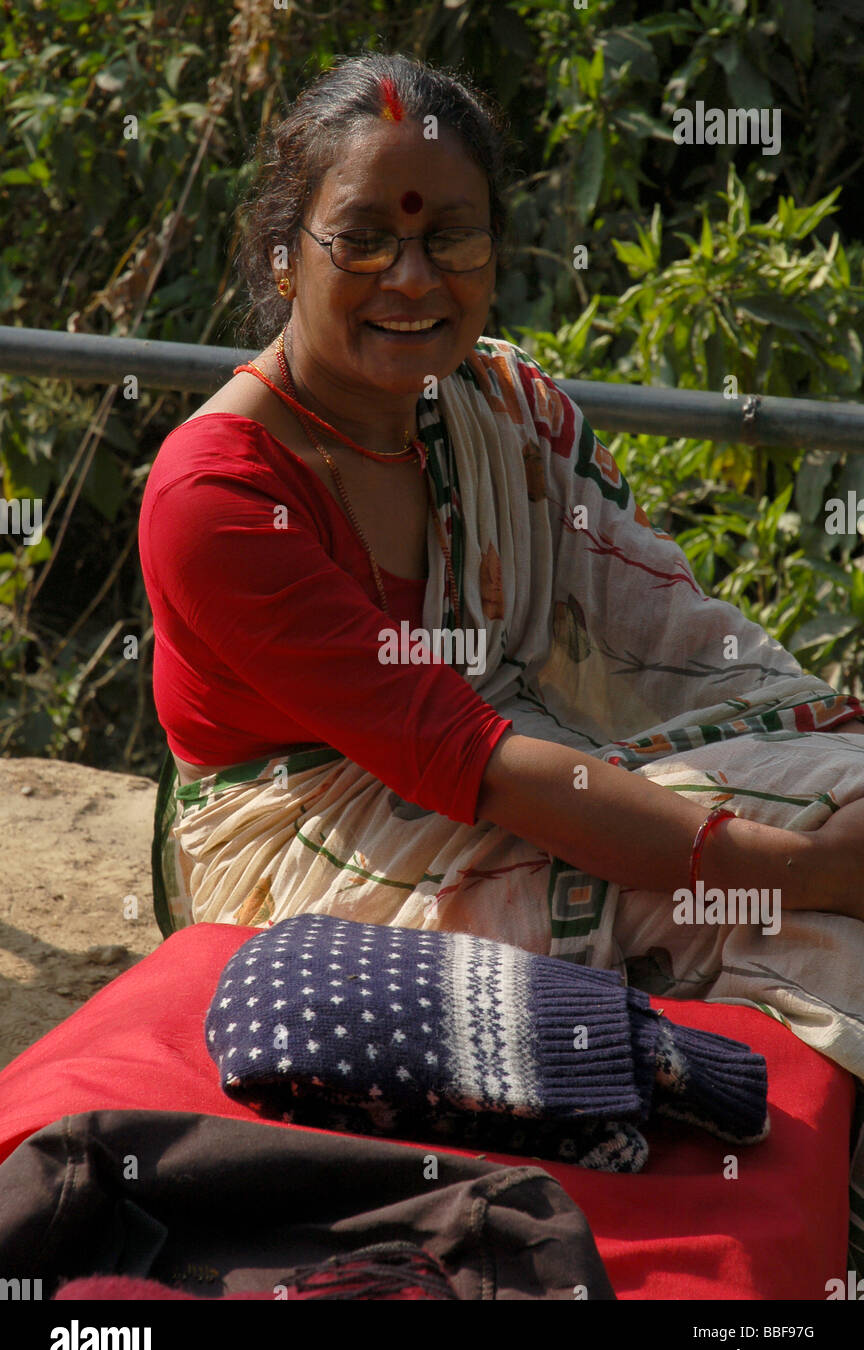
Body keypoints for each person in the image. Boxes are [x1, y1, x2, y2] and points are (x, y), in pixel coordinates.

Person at [139, 51, 864, 1084]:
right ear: (282, 256)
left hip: (533, 765)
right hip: (319, 849)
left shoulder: (507, 411)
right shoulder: (217, 494)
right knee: (775, 911)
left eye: (449, 237)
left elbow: (674, 633)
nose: (414, 278)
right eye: (366, 238)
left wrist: (832, 758)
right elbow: (460, 752)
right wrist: (793, 869)